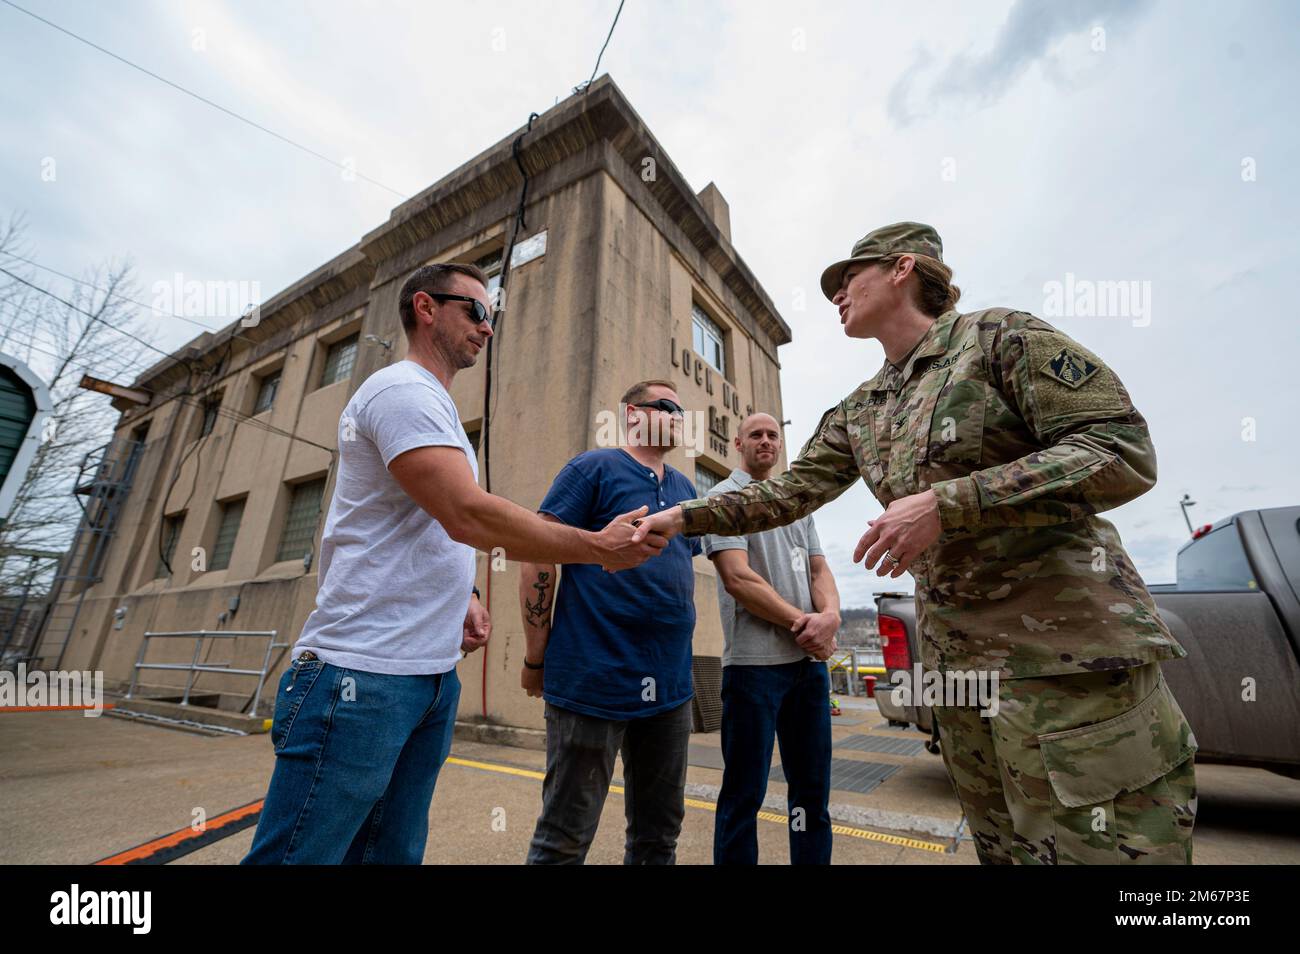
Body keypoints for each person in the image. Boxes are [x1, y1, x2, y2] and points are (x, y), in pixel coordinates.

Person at [630, 222, 1198, 865]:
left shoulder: (999, 338)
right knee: (1007, 848)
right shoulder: (862, 408)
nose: (836, 295)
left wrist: (950, 503)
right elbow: (788, 495)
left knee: (1106, 854)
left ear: (902, 268)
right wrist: (684, 516)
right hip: (961, 675)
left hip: (1068, 663)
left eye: (848, 279)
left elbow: (1120, 449)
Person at [243, 264, 666, 865]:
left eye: (491, 316)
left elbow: (430, 525)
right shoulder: (401, 392)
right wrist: (597, 547)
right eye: (475, 311)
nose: (487, 328)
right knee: (299, 858)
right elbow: (467, 513)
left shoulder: (433, 407)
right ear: (425, 307)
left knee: (390, 856)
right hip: (362, 676)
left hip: (429, 676)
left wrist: (465, 592)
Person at [519, 380, 702, 864]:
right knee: (564, 838)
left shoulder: (685, 489)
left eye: (681, 410)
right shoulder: (592, 468)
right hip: (592, 682)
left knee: (658, 837)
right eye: (665, 406)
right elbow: (537, 554)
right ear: (632, 413)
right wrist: (536, 658)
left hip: (669, 690)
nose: (677, 416)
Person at [705, 412, 841, 865]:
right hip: (752, 670)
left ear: (780, 446)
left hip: (808, 671)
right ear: (738, 443)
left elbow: (820, 570)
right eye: (756, 435)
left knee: (811, 795)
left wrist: (833, 617)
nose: (765, 441)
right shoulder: (722, 499)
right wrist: (807, 625)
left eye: (773, 435)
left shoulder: (796, 503)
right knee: (744, 794)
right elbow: (739, 579)